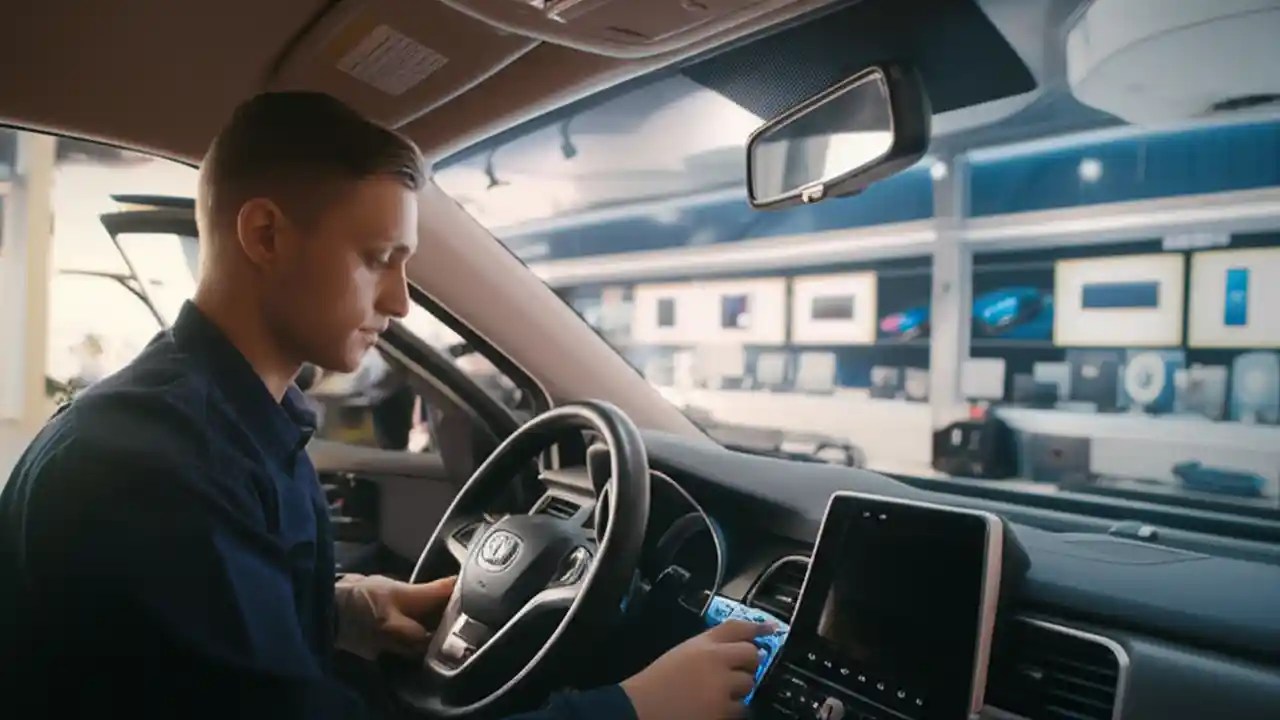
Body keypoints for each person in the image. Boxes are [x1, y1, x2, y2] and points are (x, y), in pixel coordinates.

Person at [0, 92, 769, 718]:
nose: (400, 301)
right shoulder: (157, 469)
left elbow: (190, 643)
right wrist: (633, 710)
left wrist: (345, 611)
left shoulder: (214, 425)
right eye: (379, 260)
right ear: (264, 234)